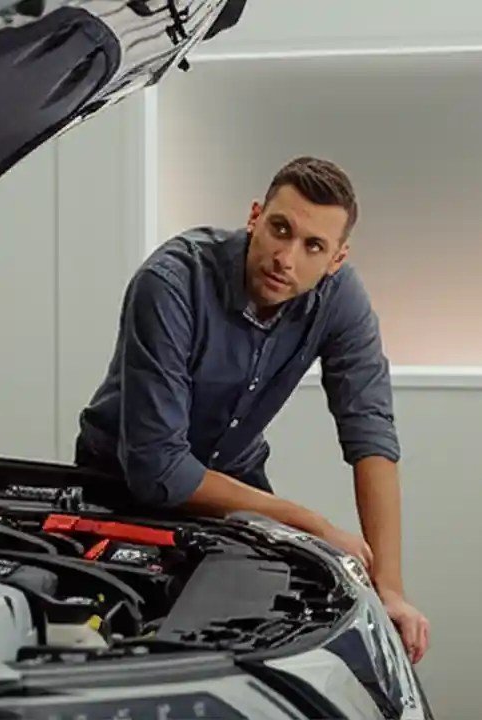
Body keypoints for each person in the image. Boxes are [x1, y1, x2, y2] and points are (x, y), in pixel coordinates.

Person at [75, 156, 430, 663]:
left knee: (258, 646)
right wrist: (308, 522)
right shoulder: (170, 283)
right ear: (255, 216)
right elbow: (159, 470)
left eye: (313, 247)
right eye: (280, 229)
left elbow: (370, 431)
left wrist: (390, 588)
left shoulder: (341, 298)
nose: (287, 257)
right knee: (129, 651)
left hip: (235, 484)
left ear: (336, 259)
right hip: (119, 486)